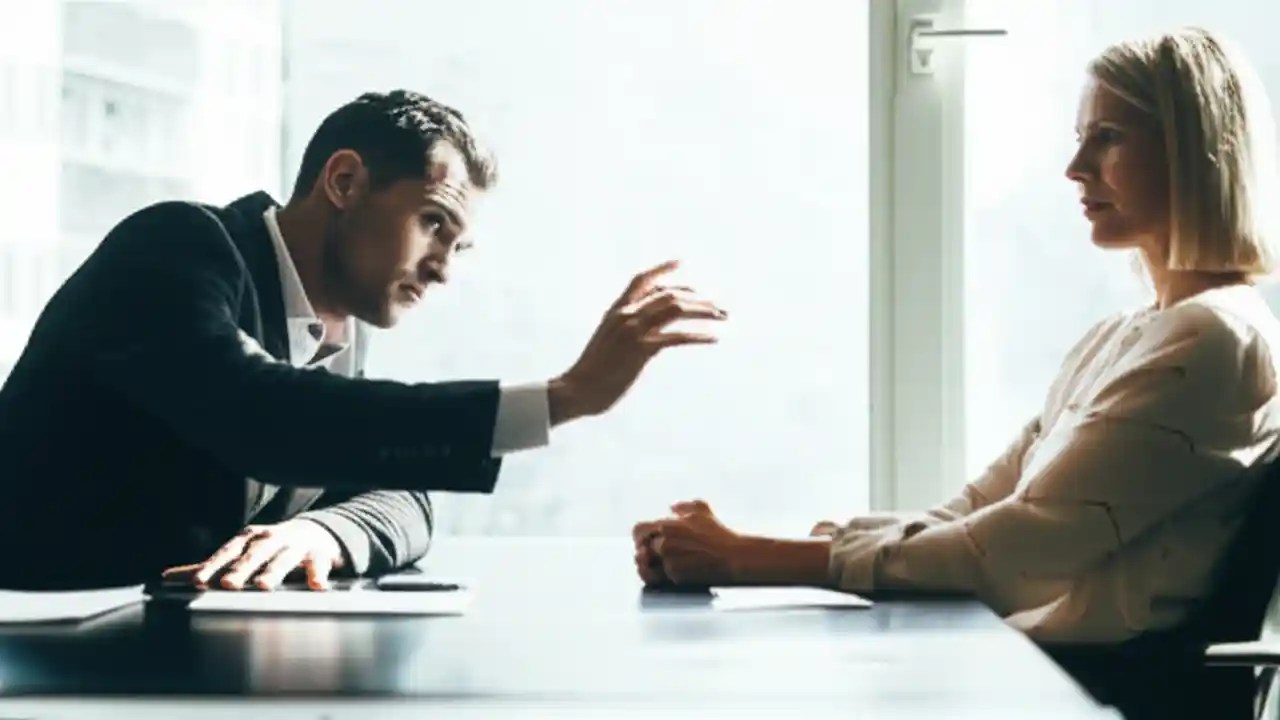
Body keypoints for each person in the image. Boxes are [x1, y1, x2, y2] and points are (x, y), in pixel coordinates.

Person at [633, 26, 1280, 645]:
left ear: (1193, 152)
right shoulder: (1130, 333)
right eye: (1081, 137)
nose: (1075, 167)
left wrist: (745, 558)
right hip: (1029, 667)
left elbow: (1005, 554)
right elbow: (970, 514)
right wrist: (789, 544)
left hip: (1079, 690)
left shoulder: (1212, 341)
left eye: (1107, 137)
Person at [0, 90, 726, 591]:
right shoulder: (178, 247)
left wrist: (326, 535)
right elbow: (258, 416)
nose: (442, 269)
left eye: (459, 247)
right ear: (344, 180)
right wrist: (564, 398)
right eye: (435, 223)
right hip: (39, 646)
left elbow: (401, 492)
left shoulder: (337, 328)